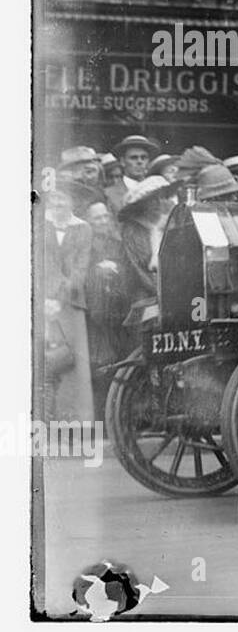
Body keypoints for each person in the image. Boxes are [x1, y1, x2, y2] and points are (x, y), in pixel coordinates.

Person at [40, 184, 94, 424]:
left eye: (64, 199)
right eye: (55, 198)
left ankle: (75, 424)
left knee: (75, 363)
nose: (59, 204)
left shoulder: (83, 228)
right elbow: (42, 261)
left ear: (73, 202)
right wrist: (48, 296)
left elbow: (82, 265)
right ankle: (46, 420)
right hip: (42, 299)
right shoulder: (40, 225)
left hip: (72, 301)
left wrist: (63, 294)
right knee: (47, 359)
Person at [82, 200, 130, 421]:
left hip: (117, 312)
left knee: (120, 363)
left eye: (104, 217)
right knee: (99, 364)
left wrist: (116, 271)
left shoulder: (117, 243)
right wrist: (97, 272)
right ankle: (100, 421)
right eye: (96, 218)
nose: (102, 221)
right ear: (88, 221)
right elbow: (79, 272)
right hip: (95, 314)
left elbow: (128, 272)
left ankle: (118, 418)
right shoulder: (84, 244)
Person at [117, 175, 179, 306]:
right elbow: (139, 269)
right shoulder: (132, 229)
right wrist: (161, 292)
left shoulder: (167, 223)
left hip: (172, 286)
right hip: (144, 290)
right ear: (141, 205)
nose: (158, 203)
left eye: (160, 198)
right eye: (151, 200)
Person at [56, 145, 106, 217]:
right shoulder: (62, 196)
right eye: (74, 171)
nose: (91, 176)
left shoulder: (101, 193)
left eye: (90, 171)